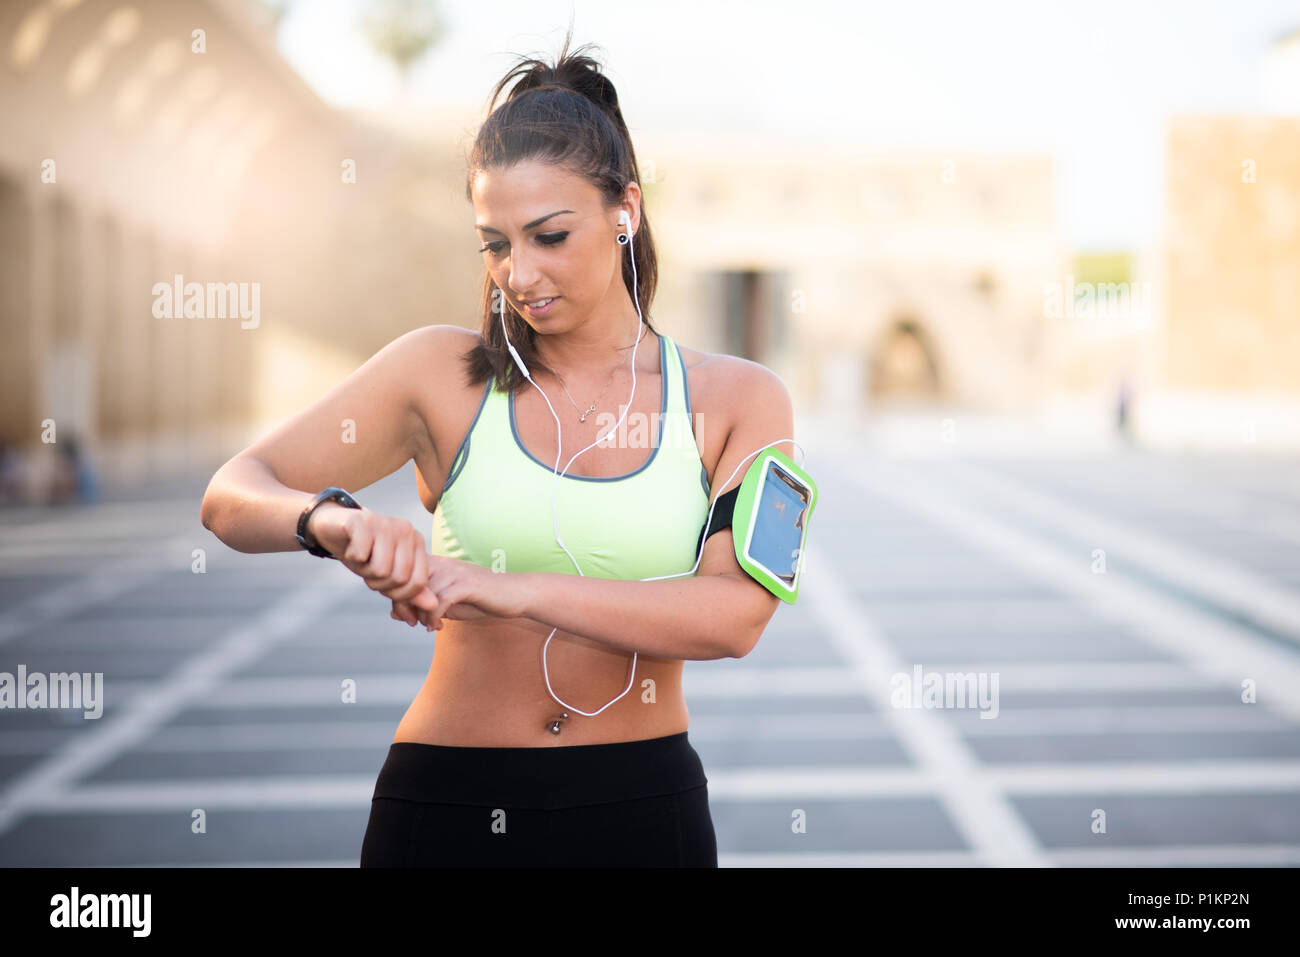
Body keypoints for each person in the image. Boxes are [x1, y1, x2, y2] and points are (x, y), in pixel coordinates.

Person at [199, 30, 795, 868]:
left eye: (549, 236)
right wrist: (330, 521)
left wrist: (510, 590)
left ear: (625, 210)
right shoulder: (438, 373)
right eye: (496, 243)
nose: (519, 273)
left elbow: (735, 617)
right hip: (448, 803)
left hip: (642, 808)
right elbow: (230, 495)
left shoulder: (738, 398)